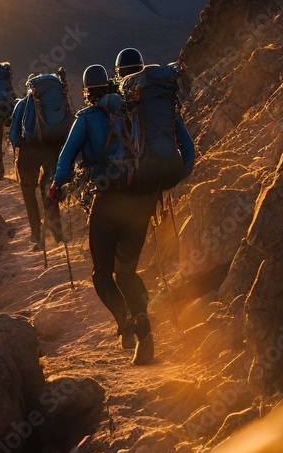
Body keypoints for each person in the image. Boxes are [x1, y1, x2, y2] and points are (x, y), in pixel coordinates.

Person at [49, 60, 194, 366]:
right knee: (126, 272)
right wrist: (165, 179)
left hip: (108, 203)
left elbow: (66, 159)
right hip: (142, 202)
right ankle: (145, 337)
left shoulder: (88, 117)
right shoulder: (141, 111)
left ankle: (125, 325)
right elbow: (188, 151)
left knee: (102, 274)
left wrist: (56, 185)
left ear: (88, 91)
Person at [9, 72, 71, 250]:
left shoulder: (24, 103)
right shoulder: (58, 101)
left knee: (29, 191)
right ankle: (58, 236)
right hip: (52, 147)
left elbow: (14, 135)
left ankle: (36, 235)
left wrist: (21, 144)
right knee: (50, 189)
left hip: (29, 150)